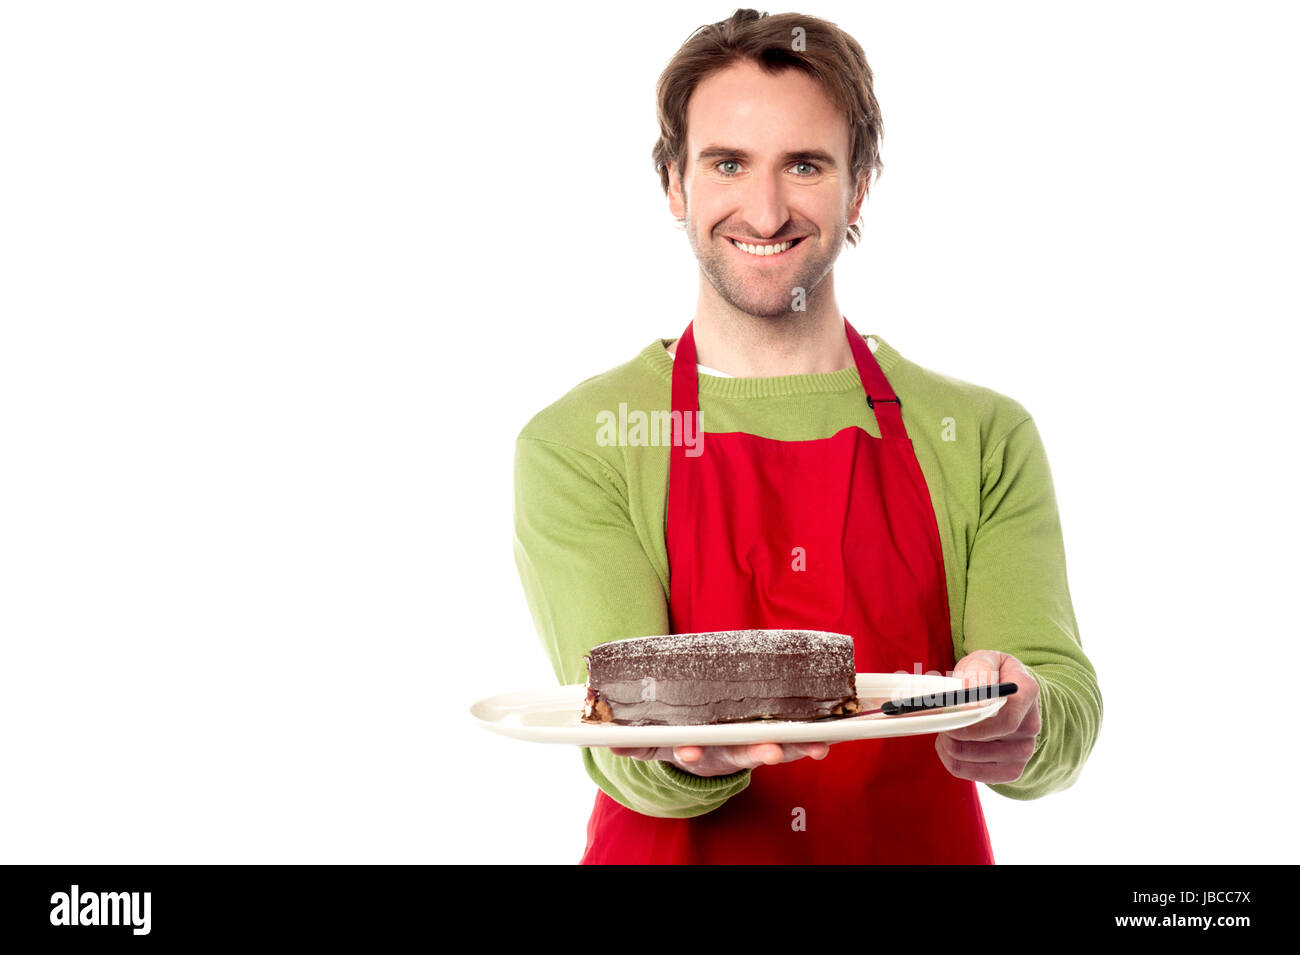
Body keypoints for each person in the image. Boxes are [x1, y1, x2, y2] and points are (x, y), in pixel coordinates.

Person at [512, 8, 1101, 864]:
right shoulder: (583, 442)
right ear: (674, 182)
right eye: (727, 162)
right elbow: (621, 742)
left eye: (805, 164)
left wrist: (1023, 716)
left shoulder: (981, 434)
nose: (766, 207)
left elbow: (1061, 698)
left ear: (858, 186)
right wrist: (684, 756)